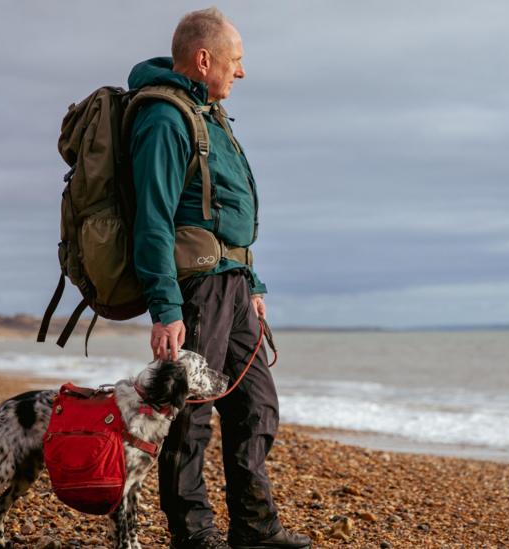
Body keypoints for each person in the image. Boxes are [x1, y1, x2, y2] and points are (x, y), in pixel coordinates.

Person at [128, 8, 311, 549]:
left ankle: (255, 530)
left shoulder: (212, 115)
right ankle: (194, 534)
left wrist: (252, 287)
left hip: (233, 284)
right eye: (237, 61)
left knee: (257, 406)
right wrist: (165, 309)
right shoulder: (165, 118)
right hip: (195, 289)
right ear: (204, 58)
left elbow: (228, 213)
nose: (242, 72)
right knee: (192, 419)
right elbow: (152, 220)